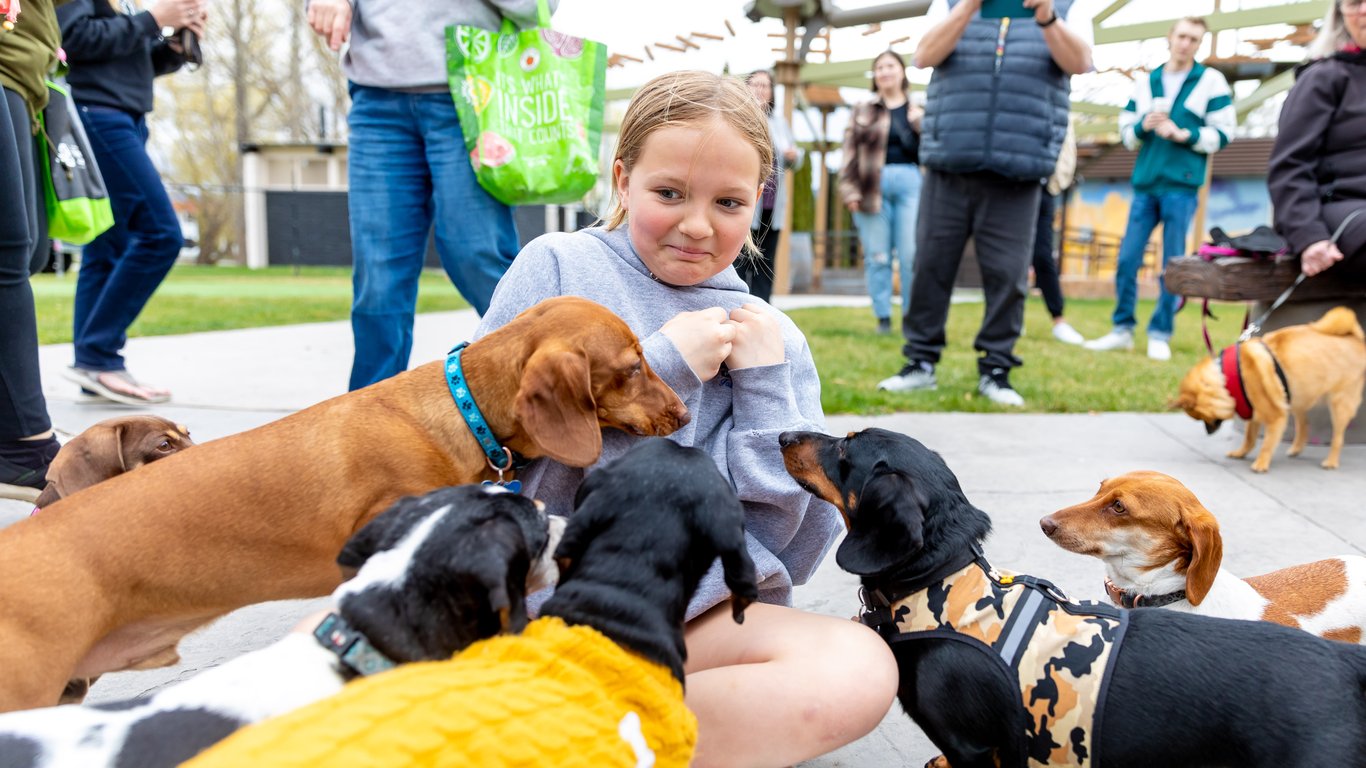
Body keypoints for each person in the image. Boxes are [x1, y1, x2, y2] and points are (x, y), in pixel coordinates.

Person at [474, 71, 898, 768]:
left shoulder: (772, 337)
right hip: (538, 608)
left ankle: (562, 737)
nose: (698, 225)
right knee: (335, 631)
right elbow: (479, 440)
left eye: (729, 202)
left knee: (860, 669)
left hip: (692, 622)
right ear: (622, 180)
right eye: (669, 193)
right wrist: (658, 369)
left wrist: (761, 386)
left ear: (758, 202)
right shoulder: (556, 267)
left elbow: (781, 546)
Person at [307, 0, 549, 392]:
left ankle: (547, 389)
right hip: (376, 98)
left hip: (472, 91)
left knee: (477, 254)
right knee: (378, 278)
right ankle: (367, 429)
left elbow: (538, 8)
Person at [877, 0, 1094, 407]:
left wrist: (1047, 15)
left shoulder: (1066, 5)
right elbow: (923, 55)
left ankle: (996, 369)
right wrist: (967, 8)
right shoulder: (951, 2)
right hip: (950, 161)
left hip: (1020, 166)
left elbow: (1081, 61)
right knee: (930, 266)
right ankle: (919, 363)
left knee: (1009, 276)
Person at [56, 0, 204, 404]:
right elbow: (73, 40)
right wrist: (154, 19)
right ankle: (100, 356)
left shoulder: (124, 4)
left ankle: (92, 364)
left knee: (108, 246)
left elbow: (128, 61)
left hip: (127, 117)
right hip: (97, 114)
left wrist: (172, 47)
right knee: (161, 234)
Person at [1085, 16, 1235, 361]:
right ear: (1170, 37)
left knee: (1173, 263)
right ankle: (1121, 329)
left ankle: (1160, 332)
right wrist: (1143, 126)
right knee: (1127, 259)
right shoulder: (1147, 81)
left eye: (1194, 39)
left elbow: (1224, 132)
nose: (1186, 43)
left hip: (1181, 186)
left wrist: (1186, 135)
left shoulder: (1210, 81)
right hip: (1146, 184)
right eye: (1182, 36)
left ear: (1199, 44)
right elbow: (1126, 132)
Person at [0, 0, 62, 500]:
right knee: (7, 254)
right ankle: (26, 446)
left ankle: (22, 445)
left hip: (22, 76)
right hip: (8, 64)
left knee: (22, 252)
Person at [1268, 0, 1366, 279]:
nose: (1364, 10)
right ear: (1340, 15)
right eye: (1354, 2)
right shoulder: (1323, 77)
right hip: (1339, 211)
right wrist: (1308, 235)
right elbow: (1290, 166)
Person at [839, 49, 921, 335]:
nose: (885, 71)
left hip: (911, 183)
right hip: (871, 185)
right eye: (880, 67)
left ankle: (912, 318)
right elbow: (849, 153)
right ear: (875, 76)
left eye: (891, 66)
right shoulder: (863, 109)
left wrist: (920, 123)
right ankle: (883, 318)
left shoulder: (919, 108)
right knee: (878, 256)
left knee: (911, 255)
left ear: (902, 71)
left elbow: (933, 152)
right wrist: (849, 190)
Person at [737, 68, 802, 303]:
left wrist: (793, 156)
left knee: (766, 258)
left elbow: (795, 159)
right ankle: (738, 303)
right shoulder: (740, 119)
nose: (760, 90)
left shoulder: (780, 122)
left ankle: (762, 307)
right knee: (741, 256)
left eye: (765, 86)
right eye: (755, 84)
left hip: (771, 205)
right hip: (746, 203)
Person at [1034, 117, 1085, 344]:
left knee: (1043, 255)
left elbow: (1067, 150)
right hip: (1012, 189)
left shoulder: (1059, 105)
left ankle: (1058, 320)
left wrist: (1054, 183)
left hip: (1045, 189)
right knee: (1006, 257)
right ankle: (1005, 317)